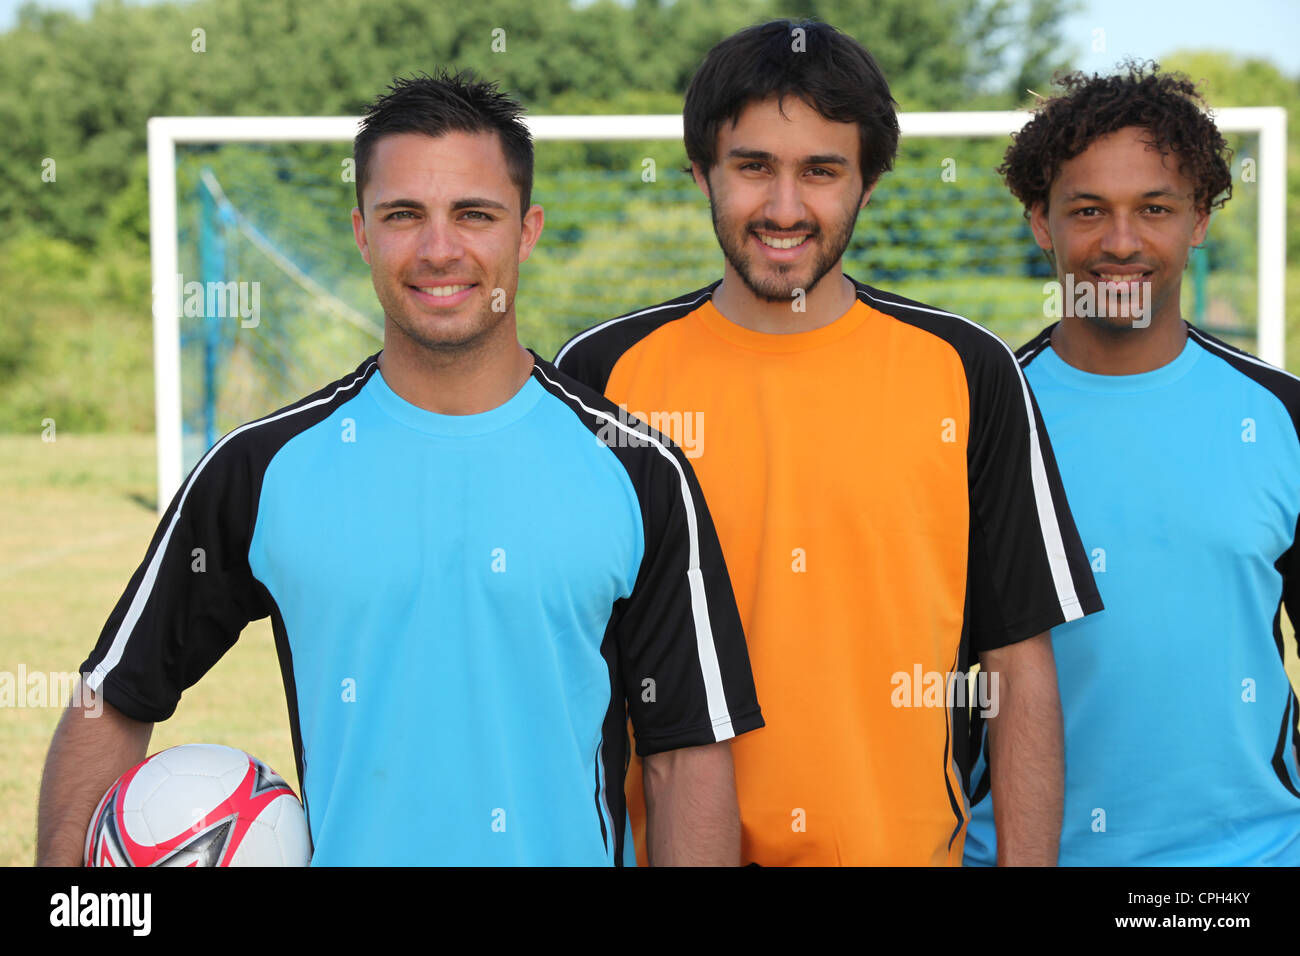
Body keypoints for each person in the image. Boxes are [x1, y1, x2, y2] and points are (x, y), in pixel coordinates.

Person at [36, 70, 762, 867]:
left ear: (527, 231)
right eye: (403, 215)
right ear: (362, 233)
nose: (439, 248)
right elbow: (114, 695)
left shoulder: (637, 470)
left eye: (474, 214)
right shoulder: (261, 469)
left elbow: (684, 756)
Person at [555, 19, 1101, 865]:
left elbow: (1017, 666)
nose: (784, 207)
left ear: (868, 186)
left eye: (820, 171)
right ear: (702, 173)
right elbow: (564, 657)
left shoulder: (967, 371)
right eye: (753, 168)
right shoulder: (600, 373)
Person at [964, 63, 1300, 865]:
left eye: (1155, 208)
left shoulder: (1283, 418)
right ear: (1041, 223)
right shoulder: (975, 423)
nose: (1121, 243)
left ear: (1201, 221)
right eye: (1088, 211)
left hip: (1249, 863)